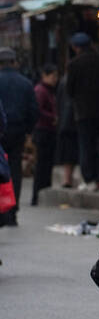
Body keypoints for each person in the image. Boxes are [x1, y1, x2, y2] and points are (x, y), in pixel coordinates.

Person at [65, 33, 99, 191]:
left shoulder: (74, 64)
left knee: (86, 145)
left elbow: (70, 90)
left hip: (84, 113)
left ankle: (90, 179)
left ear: (76, 48)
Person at [0, 46, 38, 224]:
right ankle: (12, 210)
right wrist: (28, 130)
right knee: (14, 169)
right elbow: (33, 110)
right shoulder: (25, 83)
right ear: (14, 63)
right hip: (17, 131)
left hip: (2, 132)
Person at [32, 63, 59, 205]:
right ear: (45, 76)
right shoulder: (41, 90)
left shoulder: (49, 90)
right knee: (42, 165)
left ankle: (43, 194)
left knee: (47, 164)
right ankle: (36, 195)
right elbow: (38, 110)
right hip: (43, 130)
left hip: (48, 130)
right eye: (53, 76)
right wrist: (52, 117)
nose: (55, 79)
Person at [55, 70, 79, 188]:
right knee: (73, 150)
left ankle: (67, 179)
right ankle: (68, 179)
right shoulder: (73, 82)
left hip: (66, 121)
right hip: (75, 120)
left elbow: (58, 102)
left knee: (68, 152)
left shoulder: (64, 81)